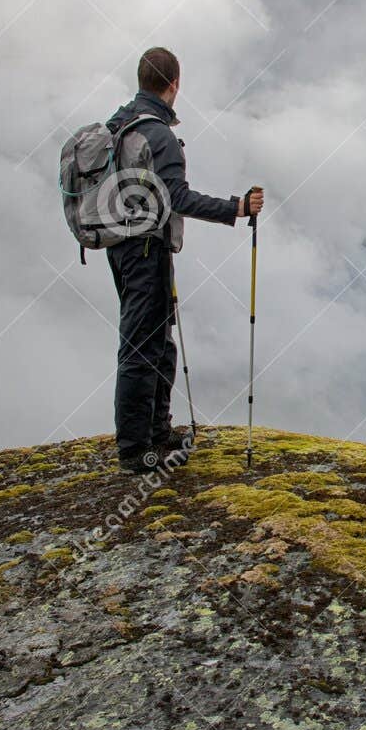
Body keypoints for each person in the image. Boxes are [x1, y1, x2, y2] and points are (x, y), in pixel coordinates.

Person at [105, 47, 263, 473]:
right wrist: (237, 208)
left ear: (142, 81)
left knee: (157, 341)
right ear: (174, 84)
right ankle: (136, 450)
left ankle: (156, 434)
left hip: (121, 248)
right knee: (141, 346)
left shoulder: (118, 125)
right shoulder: (159, 135)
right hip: (146, 250)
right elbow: (177, 197)